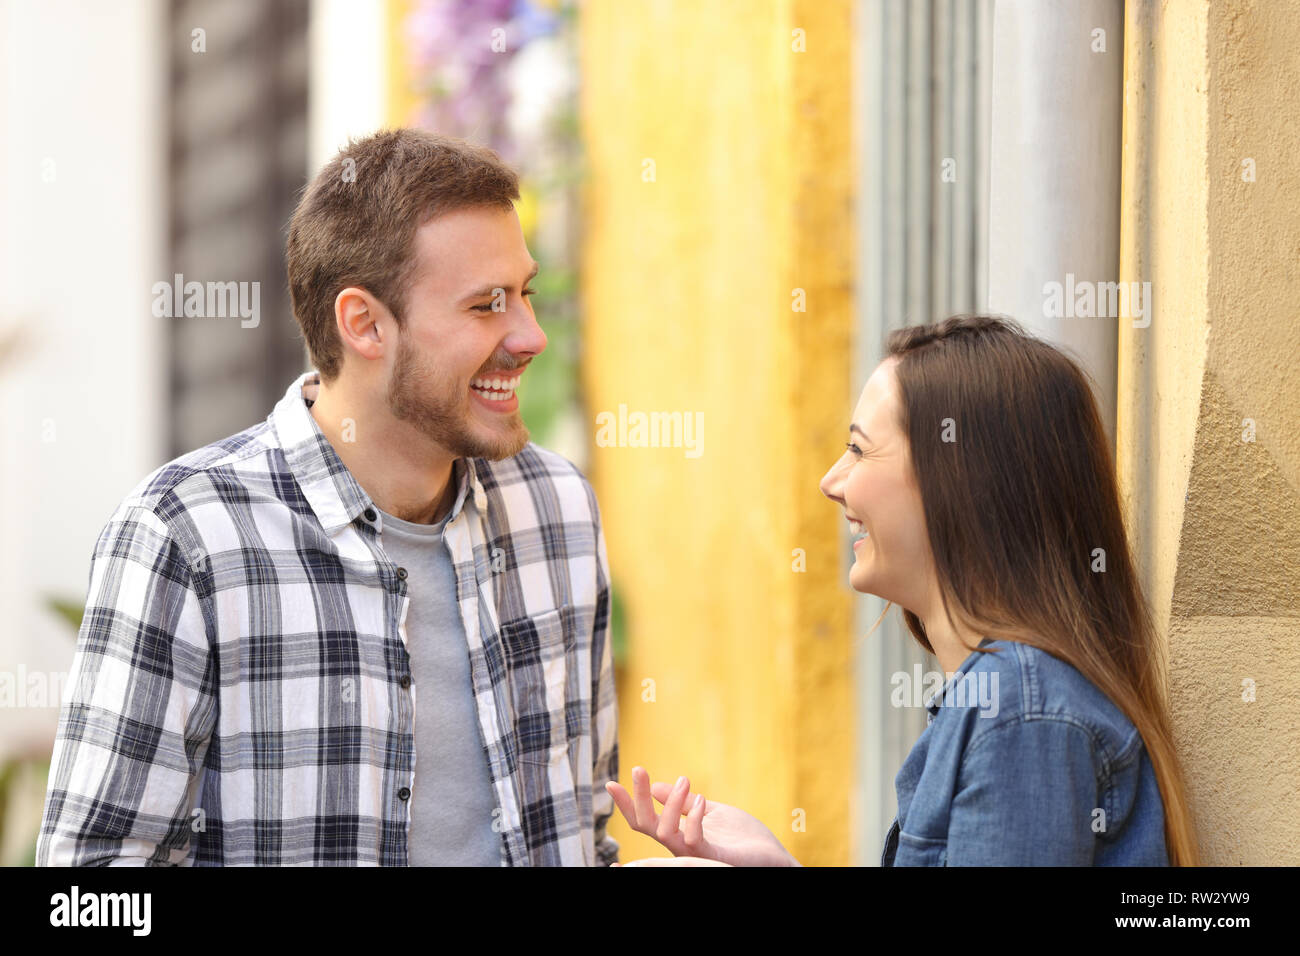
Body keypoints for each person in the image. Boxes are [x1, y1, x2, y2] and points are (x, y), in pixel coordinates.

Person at [36, 128, 618, 866]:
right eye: (486, 306)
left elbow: (585, 838)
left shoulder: (559, 512)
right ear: (365, 324)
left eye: (525, 294)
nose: (530, 335)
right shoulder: (185, 537)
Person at [607, 314, 1198, 866]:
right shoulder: (1006, 697)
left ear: (959, 483)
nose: (830, 481)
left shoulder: (1019, 710)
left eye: (859, 449)